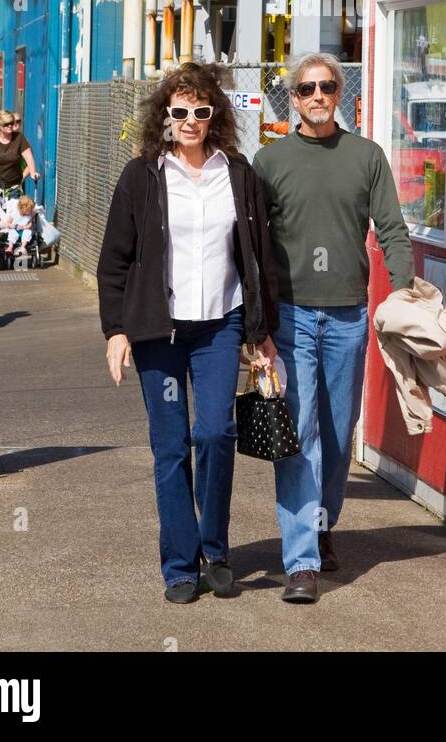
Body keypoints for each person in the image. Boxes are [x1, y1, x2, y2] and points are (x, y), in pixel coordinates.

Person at [97, 62, 278, 605]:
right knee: (172, 446)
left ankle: (215, 550)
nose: (191, 120)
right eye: (180, 111)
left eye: (201, 110)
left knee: (217, 434)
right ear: (165, 116)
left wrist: (260, 332)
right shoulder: (142, 176)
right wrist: (116, 331)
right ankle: (180, 564)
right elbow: (115, 261)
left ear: (214, 114)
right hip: (159, 330)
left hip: (221, 323)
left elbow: (258, 257)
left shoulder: (239, 173)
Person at [253, 52, 415, 604]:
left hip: (348, 315)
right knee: (299, 434)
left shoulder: (366, 157)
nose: (316, 96)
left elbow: (392, 228)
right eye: (305, 89)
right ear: (292, 99)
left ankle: (321, 525)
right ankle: (300, 561)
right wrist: (255, 323)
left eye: (326, 86)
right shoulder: (268, 163)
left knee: (338, 431)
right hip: (291, 316)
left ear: (339, 93)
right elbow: (250, 245)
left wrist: (406, 291)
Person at [0, 109, 38, 199]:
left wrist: (33, 173)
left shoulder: (19, 138)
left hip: (13, 188)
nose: (10, 126)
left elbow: (29, 157)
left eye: (11, 123)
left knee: (13, 212)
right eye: (6, 124)